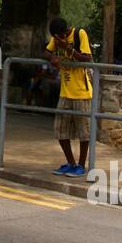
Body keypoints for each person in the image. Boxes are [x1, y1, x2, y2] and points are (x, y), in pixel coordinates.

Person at [46, 16, 94, 177]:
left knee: (84, 132)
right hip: (65, 92)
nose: (56, 40)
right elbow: (46, 51)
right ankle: (71, 163)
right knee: (60, 130)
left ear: (64, 33)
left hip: (82, 92)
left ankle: (81, 165)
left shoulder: (80, 34)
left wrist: (68, 49)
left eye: (58, 37)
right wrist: (52, 57)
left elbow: (87, 58)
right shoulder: (56, 39)